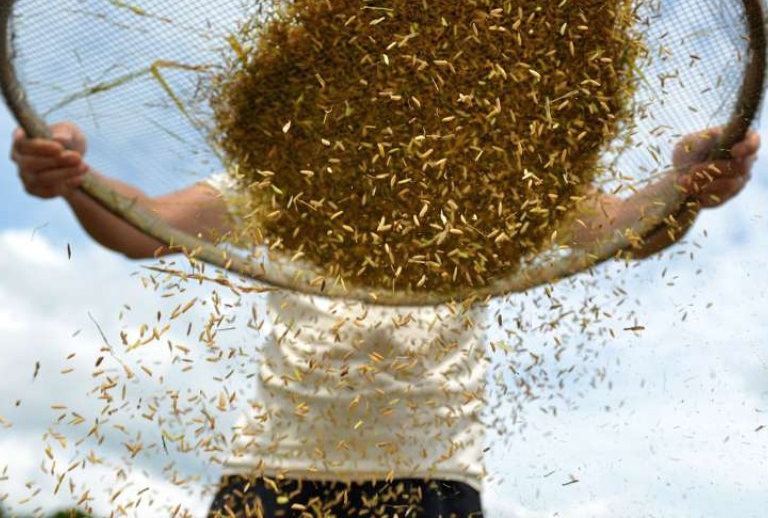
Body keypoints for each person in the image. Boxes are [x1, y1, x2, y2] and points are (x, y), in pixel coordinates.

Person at [10, 122, 760, 517]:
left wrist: (683, 183)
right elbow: (146, 227)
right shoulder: (284, 179)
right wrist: (75, 180)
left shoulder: (498, 184)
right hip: (273, 479)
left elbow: (623, 227)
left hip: (427, 480)